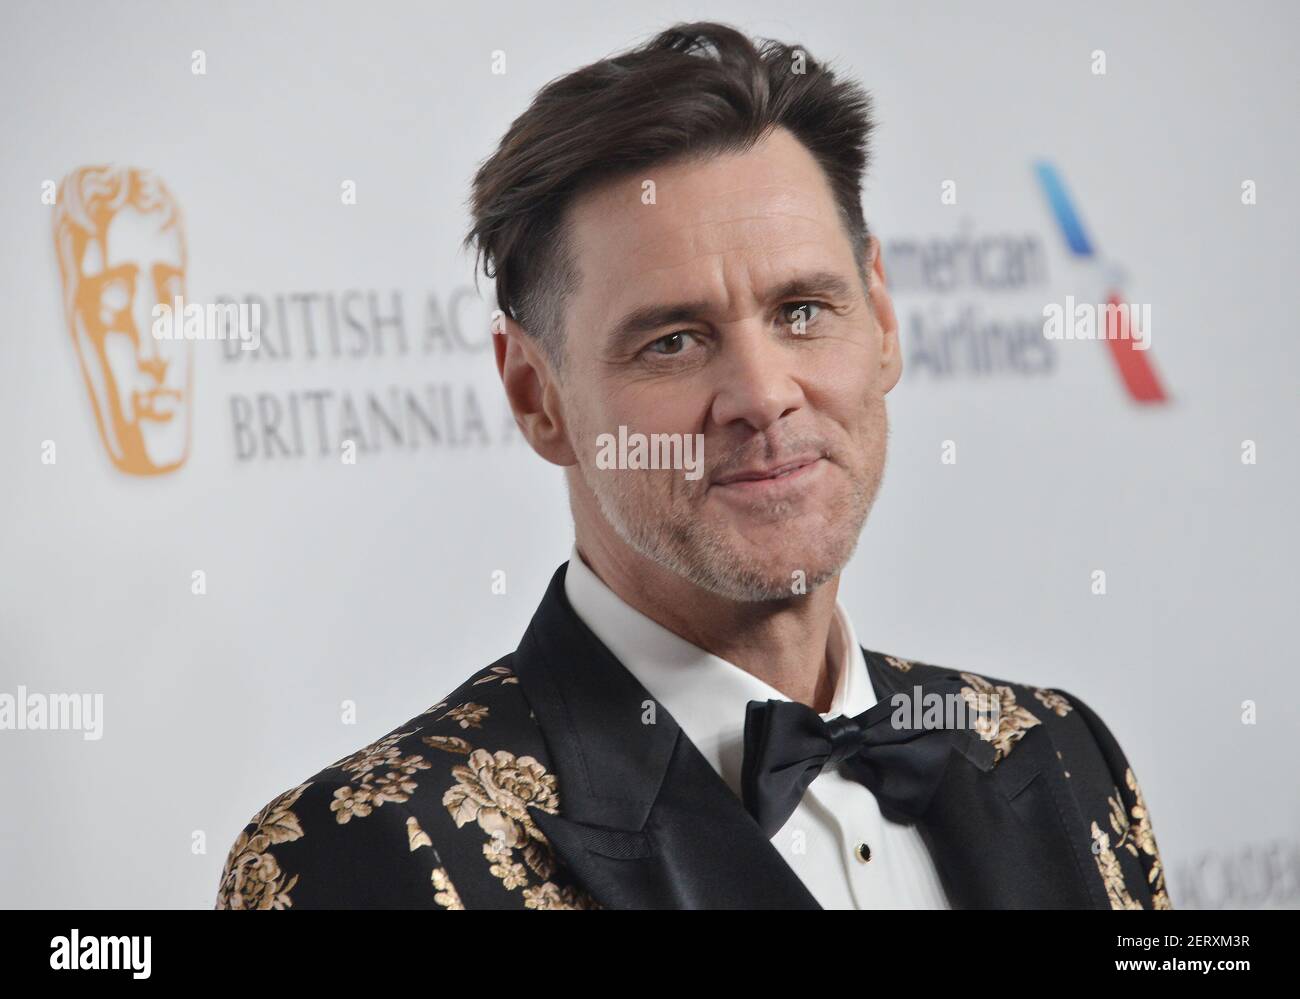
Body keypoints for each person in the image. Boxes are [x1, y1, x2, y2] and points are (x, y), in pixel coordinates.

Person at [216, 20, 1170, 910]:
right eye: (672, 341)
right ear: (536, 396)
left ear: (881, 320)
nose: (763, 394)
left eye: (803, 309)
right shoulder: (358, 859)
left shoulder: (1060, 755)